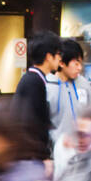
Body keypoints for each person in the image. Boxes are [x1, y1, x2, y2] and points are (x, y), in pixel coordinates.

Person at [47, 38, 91, 175]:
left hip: (85, 156)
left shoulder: (84, 84)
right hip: (59, 158)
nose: (79, 68)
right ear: (62, 63)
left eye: (80, 63)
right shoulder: (48, 87)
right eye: (76, 63)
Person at [11, 32, 63, 165]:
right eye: (58, 54)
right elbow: (33, 122)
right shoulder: (34, 82)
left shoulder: (33, 79)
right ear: (48, 57)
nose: (60, 59)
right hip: (30, 159)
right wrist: (43, 156)